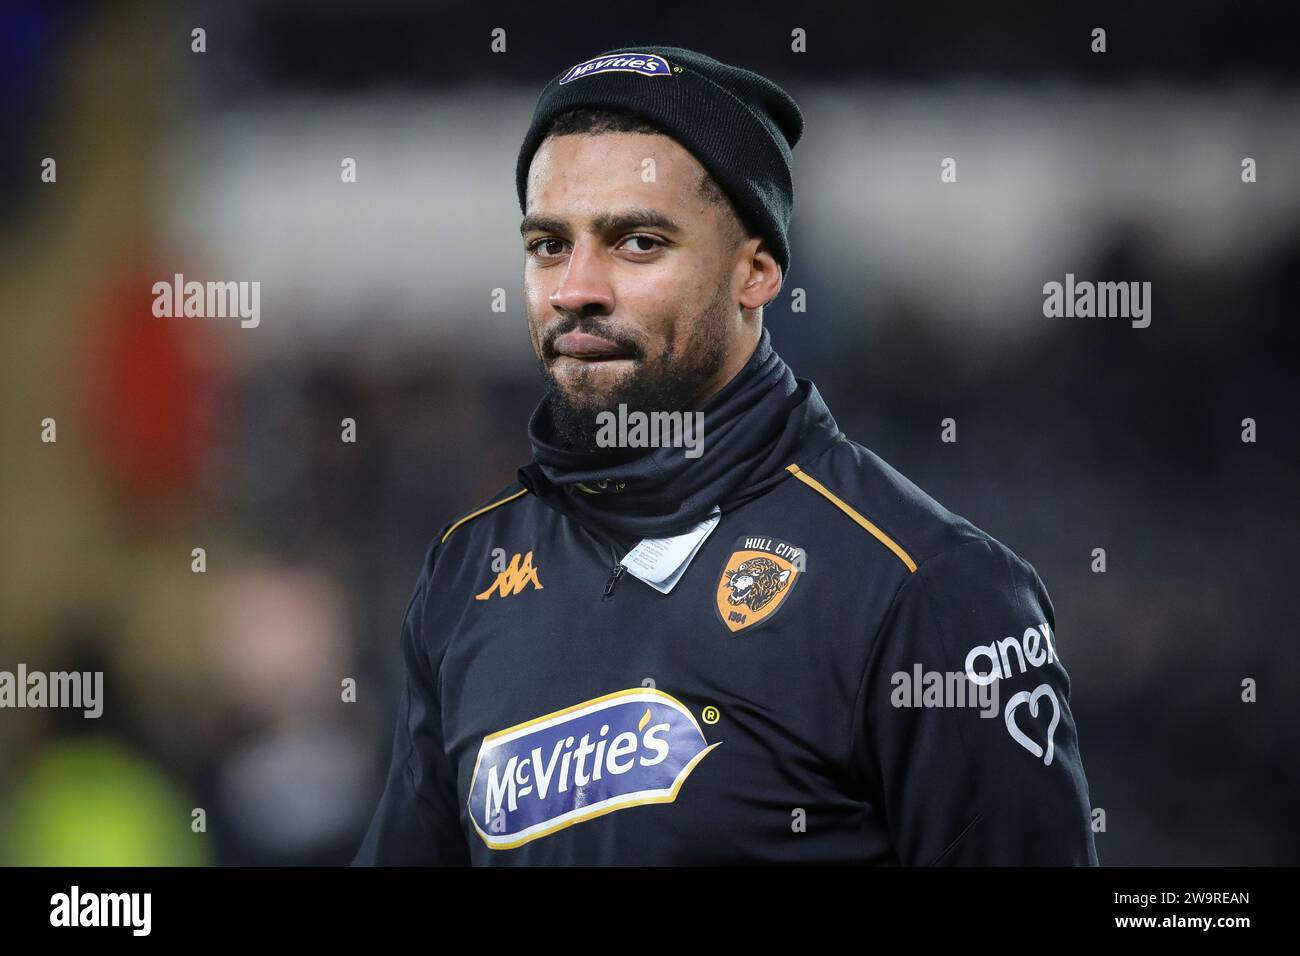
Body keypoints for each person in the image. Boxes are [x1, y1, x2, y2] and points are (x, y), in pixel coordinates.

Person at [353, 45, 1099, 865]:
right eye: (548, 245)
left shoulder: (926, 589)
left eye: (638, 242)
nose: (576, 289)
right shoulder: (465, 574)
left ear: (757, 272)